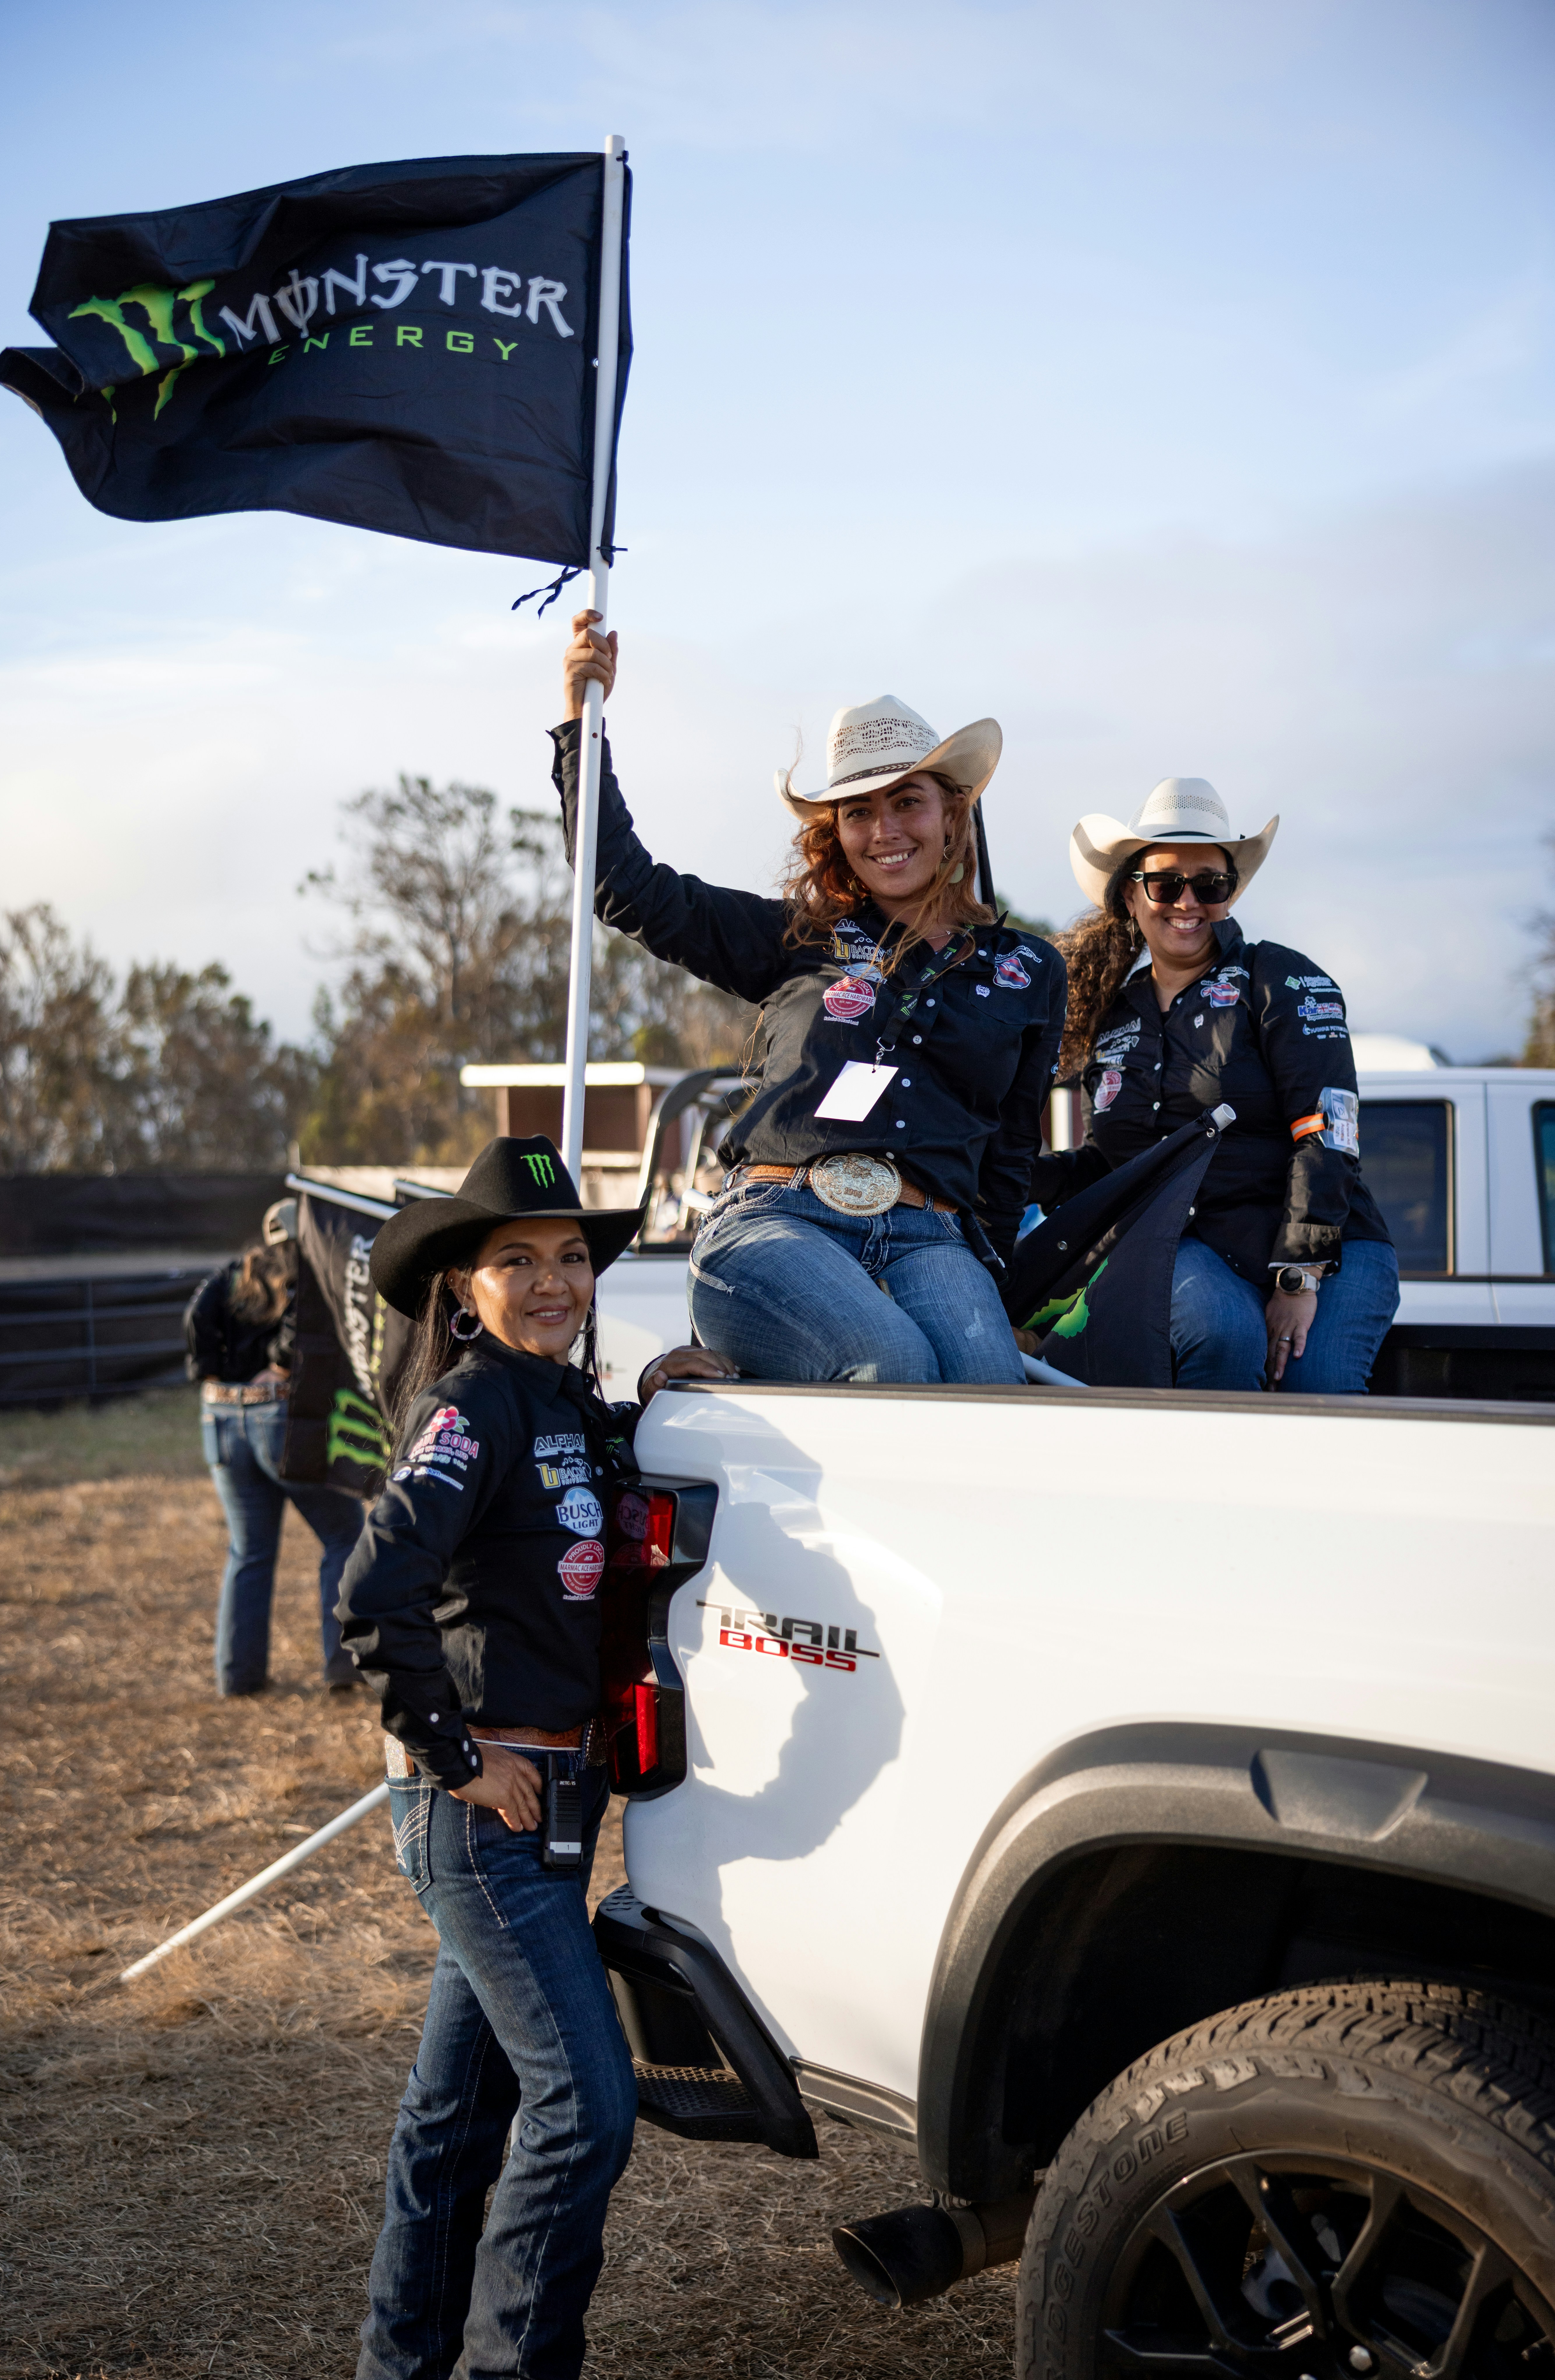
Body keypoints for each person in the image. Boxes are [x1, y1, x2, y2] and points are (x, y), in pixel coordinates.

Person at [335, 1135, 731, 2380]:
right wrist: (459, 1761)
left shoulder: (558, 1397)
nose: (554, 1280)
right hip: (488, 1808)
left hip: (555, 1802)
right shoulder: (472, 1403)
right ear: (463, 1285)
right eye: (519, 1260)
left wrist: (657, 1394)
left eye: (570, 1257)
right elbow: (372, 1597)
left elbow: (592, 1504)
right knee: (584, 2105)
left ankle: (398, 2365)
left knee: (458, 2121)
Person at [551, 611, 1066, 1383]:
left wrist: (995, 1302)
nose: (884, 829)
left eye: (907, 802)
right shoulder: (794, 936)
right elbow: (622, 885)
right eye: (859, 810)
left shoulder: (1031, 967)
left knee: (987, 1388)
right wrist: (580, 722)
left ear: (954, 811)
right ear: (837, 831)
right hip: (777, 1219)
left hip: (935, 1238)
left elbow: (1011, 1155)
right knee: (894, 1365)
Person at [1034, 778, 1399, 1392]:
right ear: (1130, 894)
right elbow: (1112, 1168)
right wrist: (1012, 1169)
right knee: (1223, 1338)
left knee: (1318, 1390)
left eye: (1209, 884)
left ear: (1228, 895)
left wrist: (1298, 1274)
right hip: (1193, 1242)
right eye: (1165, 882)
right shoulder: (1107, 1015)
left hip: (1329, 1248)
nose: (1187, 901)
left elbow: (1327, 1129)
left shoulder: (1280, 979)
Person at [185, 1201, 365, 1695]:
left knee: (249, 1550)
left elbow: (197, 1314)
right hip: (281, 1415)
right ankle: (344, 1665)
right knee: (345, 1536)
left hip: (220, 1418)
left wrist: (212, 1375)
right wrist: (283, 1368)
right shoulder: (306, 1270)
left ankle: (237, 1678)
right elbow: (309, 1322)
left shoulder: (232, 1274)